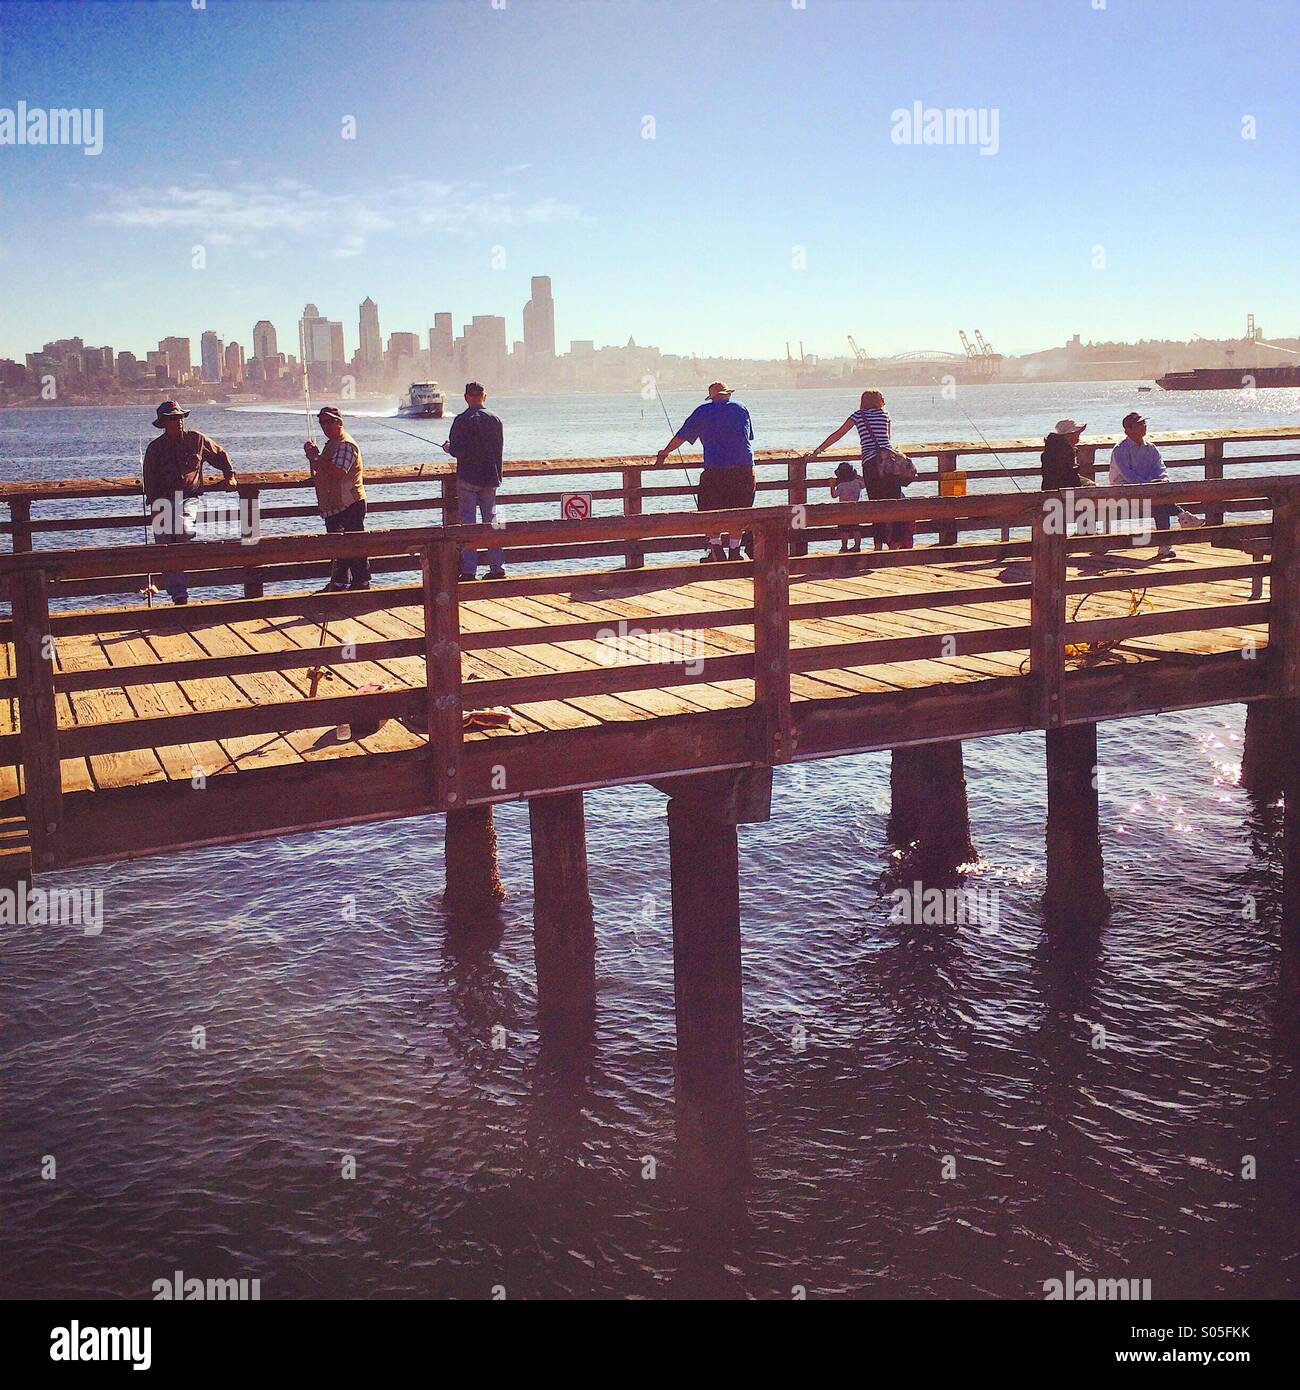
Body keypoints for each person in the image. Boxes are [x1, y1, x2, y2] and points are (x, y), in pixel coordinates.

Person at [141, 399, 237, 605]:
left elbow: (220, 454)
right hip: (161, 501)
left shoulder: (197, 440)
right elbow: (149, 479)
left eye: (180, 417)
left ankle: (169, 582)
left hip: (187, 498)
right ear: (164, 423)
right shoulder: (155, 449)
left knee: (182, 530)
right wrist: (155, 508)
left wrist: (229, 475)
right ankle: (179, 595)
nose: (178, 421)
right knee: (165, 548)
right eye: (173, 418)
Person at [655, 381, 755, 562]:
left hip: (716, 469)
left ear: (712, 397)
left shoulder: (703, 411)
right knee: (740, 511)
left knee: (709, 511)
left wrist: (665, 452)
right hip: (744, 468)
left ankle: (716, 550)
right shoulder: (742, 409)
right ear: (727, 394)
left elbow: (681, 436)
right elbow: (748, 437)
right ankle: (734, 551)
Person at [807, 389, 912, 550]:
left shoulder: (858, 415)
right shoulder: (885, 415)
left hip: (871, 463)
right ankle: (895, 545)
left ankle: (878, 546)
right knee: (893, 504)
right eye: (882, 397)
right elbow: (887, 440)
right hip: (890, 464)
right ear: (877, 400)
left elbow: (838, 434)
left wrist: (818, 451)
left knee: (875, 505)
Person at [442, 381, 505, 580]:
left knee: (468, 524)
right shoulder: (495, 420)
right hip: (490, 477)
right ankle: (497, 568)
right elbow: (499, 450)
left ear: (466, 397)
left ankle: (469, 571)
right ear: (484, 397)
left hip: (468, 478)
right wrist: (498, 477)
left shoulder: (461, 420)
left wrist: (447, 448)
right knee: (492, 522)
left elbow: (457, 450)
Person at [304, 406, 369, 591]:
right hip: (334, 505)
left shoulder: (346, 444)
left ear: (339, 422)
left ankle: (361, 584)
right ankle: (339, 583)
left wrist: (316, 457)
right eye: (322, 422)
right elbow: (323, 468)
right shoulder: (331, 444)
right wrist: (313, 458)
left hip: (350, 503)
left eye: (329, 422)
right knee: (337, 548)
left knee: (355, 547)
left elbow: (338, 472)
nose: (324, 426)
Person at [1110, 411, 1177, 560]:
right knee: (1158, 501)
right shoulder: (1120, 449)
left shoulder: (1150, 448)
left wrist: (1162, 481)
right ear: (1128, 429)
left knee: (1160, 501)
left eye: (1144, 423)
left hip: (1147, 491)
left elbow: (1160, 468)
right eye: (1139, 424)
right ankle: (1180, 518)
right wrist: (1147, 485)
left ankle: (1166, 544)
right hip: (1123, 492)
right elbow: (1127, 475)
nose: (1143, 426)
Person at [1040, 418, 1091, 490]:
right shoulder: (1064, 451)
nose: (1078, 434)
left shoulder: (1053, 447)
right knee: (1093, 487)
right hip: (1061, 490)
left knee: (1090, 484)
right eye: (1076, 432)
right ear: (1068, 435)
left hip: (1050, 487)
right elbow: (1068, 477)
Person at [830, 459, 864, 552]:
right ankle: (857, 546)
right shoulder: (857, 483)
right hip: (855, 508)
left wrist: (832, 486)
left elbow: (834, 495)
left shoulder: (841, 485)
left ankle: (844, 546)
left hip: (843, 510)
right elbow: (865, 485)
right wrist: (860, 478)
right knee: (856, 528)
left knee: (844, 529)